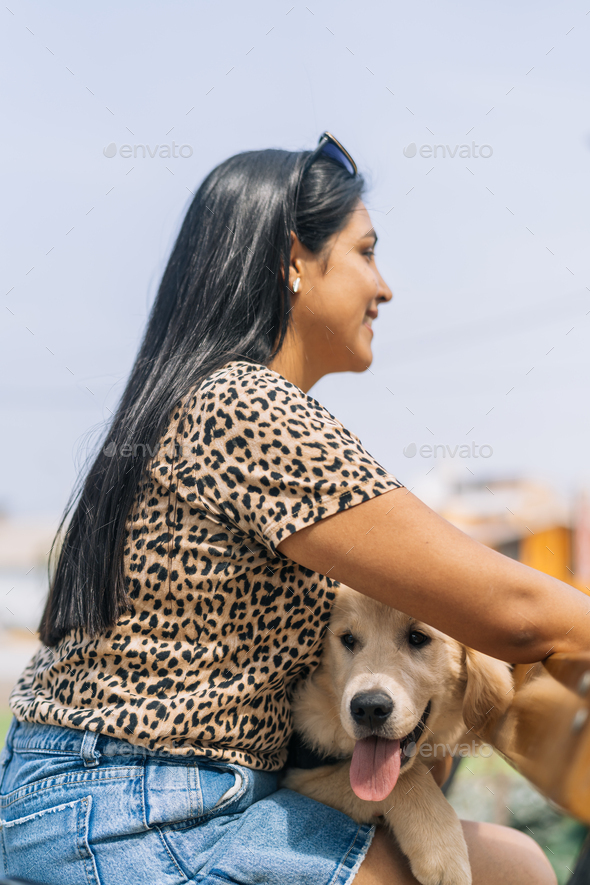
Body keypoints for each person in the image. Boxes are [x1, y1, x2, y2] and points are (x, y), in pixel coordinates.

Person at [0, 132, 576, 885]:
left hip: (104, 793)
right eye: (366, 252)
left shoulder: (201, 400)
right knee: (517, 870)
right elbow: (512, 606)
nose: (386, 286)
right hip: (136, 814)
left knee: (513, 860)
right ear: (294, 262)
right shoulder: (246, 405)